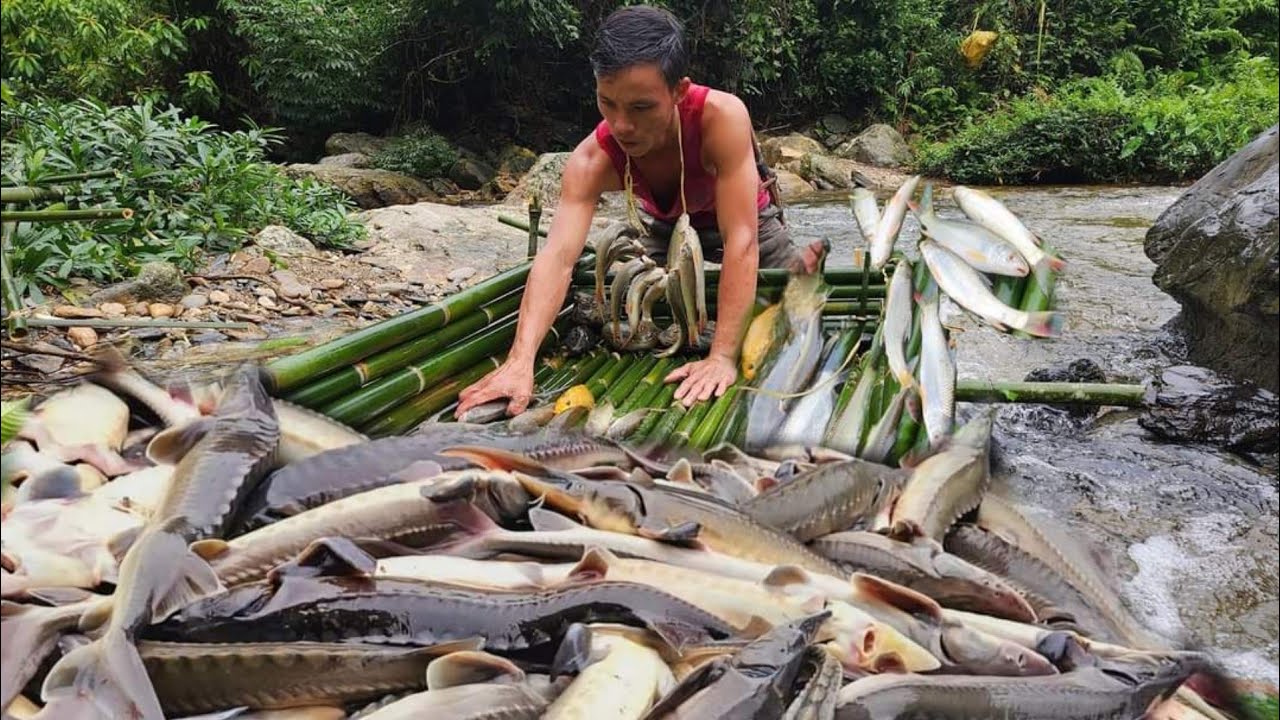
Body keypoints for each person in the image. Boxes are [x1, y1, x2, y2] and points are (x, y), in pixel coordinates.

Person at [455, 5, 821, 419]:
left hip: (750, 224)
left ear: (679, 91)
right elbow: (558, 256)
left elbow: (742, 240)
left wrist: (721, 357)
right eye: (607, 103)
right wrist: (520, 362)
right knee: (631, 312)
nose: (622, 125)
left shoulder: (721, 118)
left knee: (802, 305)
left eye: (641, 108)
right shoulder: (591, 160)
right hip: (666, 228)